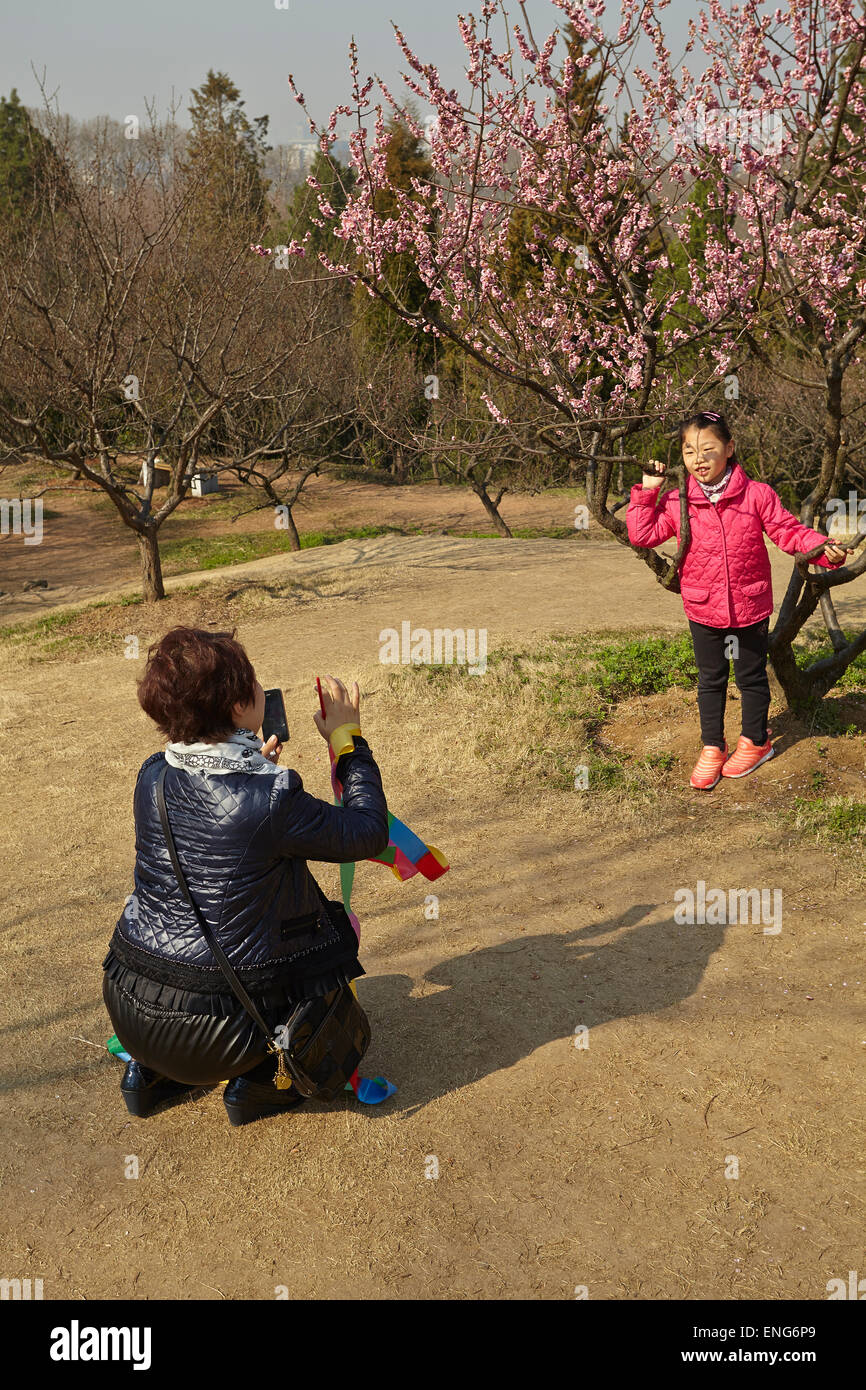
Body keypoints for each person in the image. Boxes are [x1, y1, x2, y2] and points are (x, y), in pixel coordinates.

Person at [102, 626, 390, 1125]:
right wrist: (348, 739)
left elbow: (217, 817)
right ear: (238, 707)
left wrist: (251, 769)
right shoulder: (270, 798)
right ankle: (258, 1085)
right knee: (330, 948)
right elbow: (366, 833)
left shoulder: (152, 773)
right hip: (222, 1032)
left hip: (129, 999)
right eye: (252, 684)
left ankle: (149, 1075)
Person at [626, 410, 847, 790]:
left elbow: (787, 531)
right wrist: (649, 489)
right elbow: (642, 533)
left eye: (708, 449)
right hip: (703, 606)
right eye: (689, 451)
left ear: (729, 449)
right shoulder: (680, 501)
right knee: (711, 680)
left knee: (750, 677)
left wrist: (822, 549)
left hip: (749, 606)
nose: (698, 459)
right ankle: (712, 746)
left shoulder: (756, 494)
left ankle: (756, 742)